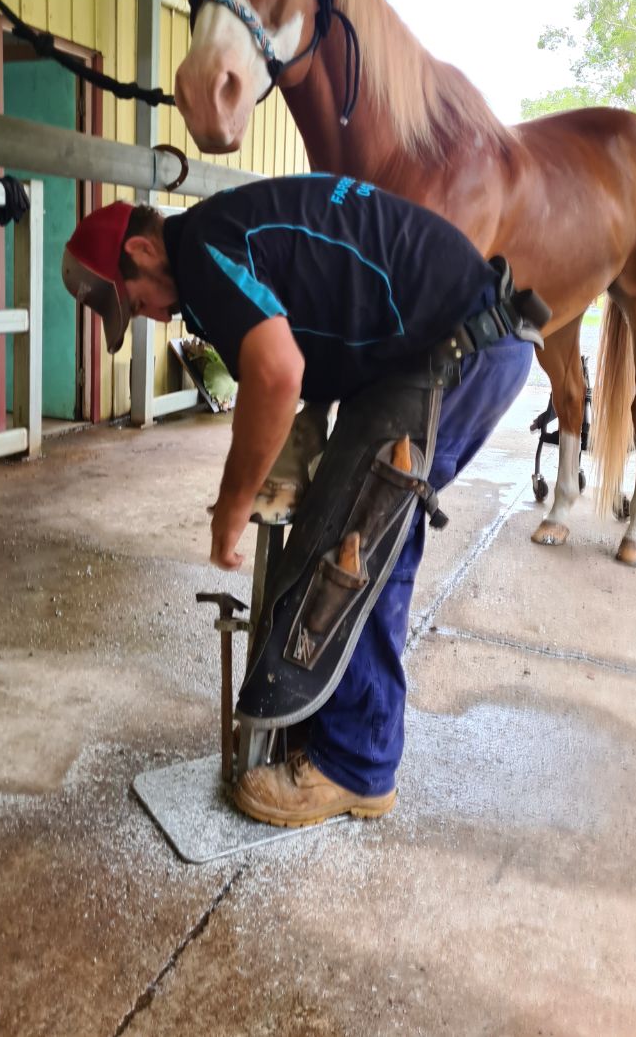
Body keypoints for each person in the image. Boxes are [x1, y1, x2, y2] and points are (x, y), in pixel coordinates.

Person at [62, 175, 541, 827]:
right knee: (357, 528)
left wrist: (230, 506)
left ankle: (355, 765)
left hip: (460, 349)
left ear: (144, 251)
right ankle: (325, 723)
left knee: (361, 543)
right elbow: (311, 337)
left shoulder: (203, 250)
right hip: (446, 345)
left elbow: (277, 371)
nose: (144, 315)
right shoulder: (221, 241)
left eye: (133, 299)